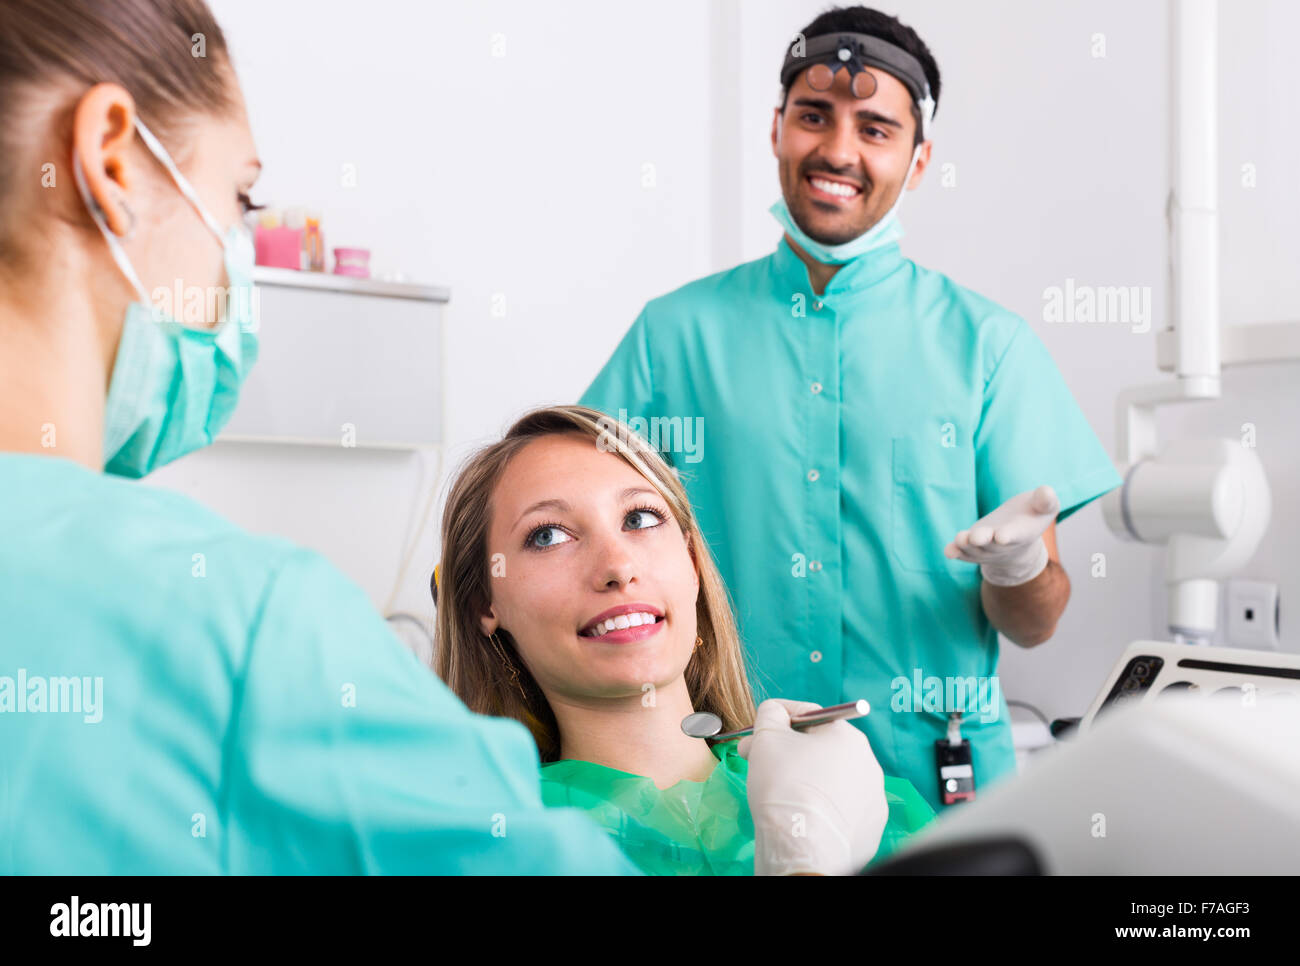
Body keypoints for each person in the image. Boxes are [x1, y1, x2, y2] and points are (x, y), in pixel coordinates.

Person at [0, 0, 876, 876]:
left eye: (645, 517)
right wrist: (801, 857)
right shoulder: (243, 631)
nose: (618, 563)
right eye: (241, 199)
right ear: (110, 158)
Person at [579, 6, 1122, 812]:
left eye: (875, 128)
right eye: (813, 116)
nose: (837, 150)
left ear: (919, 157)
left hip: (938, 788)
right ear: (776, 130)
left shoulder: (988, 348)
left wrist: (1020, 568)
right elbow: (575, 537)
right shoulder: (672, 337)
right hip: (732, 781)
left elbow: (1034, 624)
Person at [433, 405, 936, 875]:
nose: (617, 567)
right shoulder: (478, 847)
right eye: (548, 535)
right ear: (484, 604)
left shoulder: (872, 803)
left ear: (693, 565)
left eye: (640, 518)